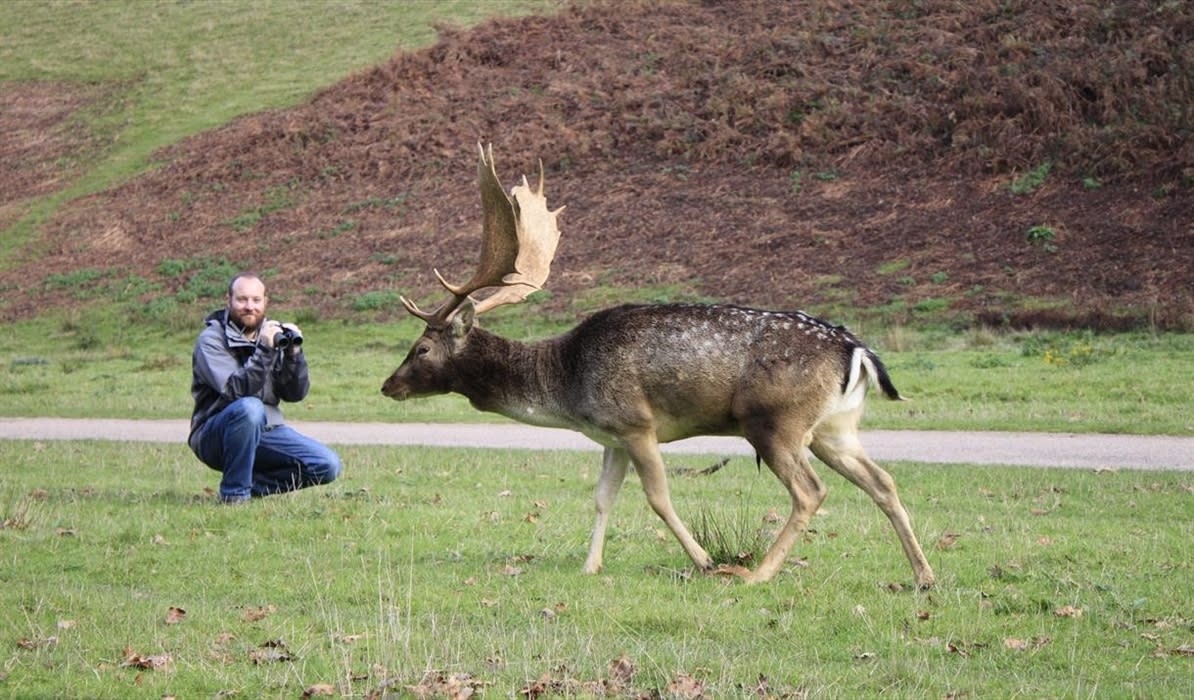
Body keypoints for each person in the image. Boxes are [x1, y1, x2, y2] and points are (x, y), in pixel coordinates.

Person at [189, 272, 341, 503]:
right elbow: (234, 391)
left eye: (256, 300)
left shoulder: (272, 335)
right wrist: (265, 351)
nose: (249, 306)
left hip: (267, 431)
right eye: (242, 299)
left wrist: (293, 354)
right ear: (228, 300)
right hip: (216, 433)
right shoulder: (211, 340)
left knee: (327, 464)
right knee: (250, 408)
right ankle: (235, 496)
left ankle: (250, 488)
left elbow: (295, 394)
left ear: (265, 302)